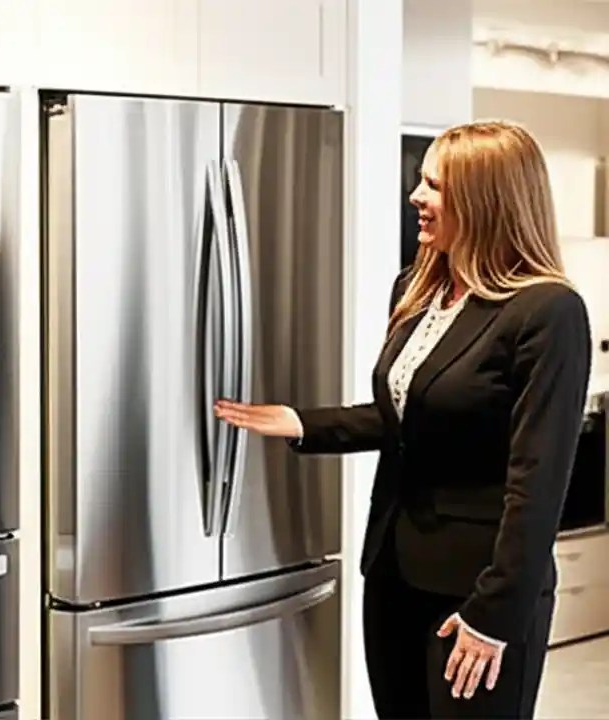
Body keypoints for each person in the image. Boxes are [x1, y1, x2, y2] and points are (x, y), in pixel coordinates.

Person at [215, 120, 591, 719]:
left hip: (478, 592)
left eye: (435, 186)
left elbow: (538, 482)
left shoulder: (547, 311)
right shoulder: (417, 290)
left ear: (487, 201)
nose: (416, 196)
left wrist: (494, 614)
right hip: (394, 572)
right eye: (422, 181)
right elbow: (408, 421)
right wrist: (302, 423)